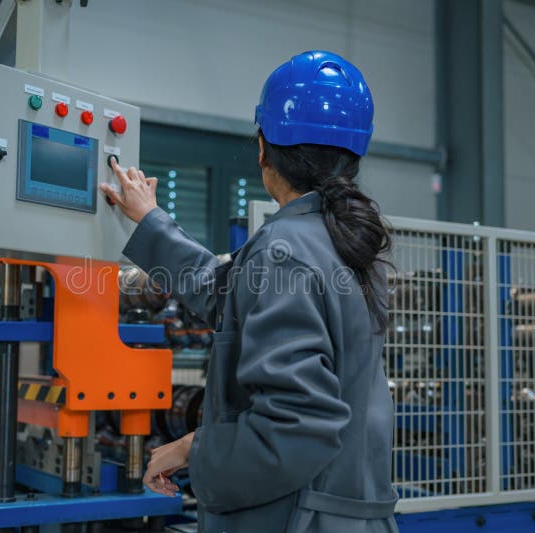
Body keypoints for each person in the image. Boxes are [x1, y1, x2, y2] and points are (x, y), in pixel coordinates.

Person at [100, 50, 398, 533]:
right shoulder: (347, 243)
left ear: (264, 146)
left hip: (295, 520)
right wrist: (151, 223)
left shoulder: (285, 248)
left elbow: (293, 430)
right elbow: (228, 294)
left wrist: (190, 449)